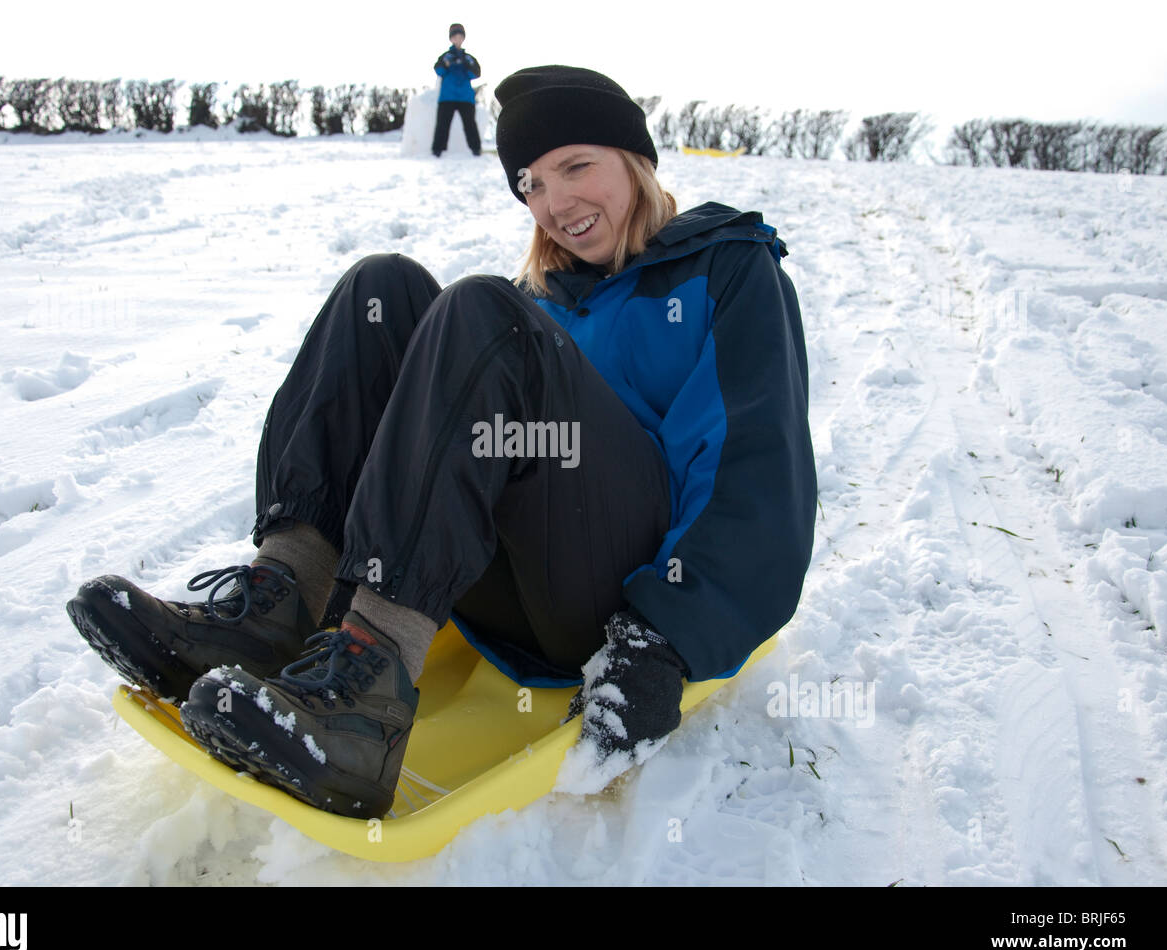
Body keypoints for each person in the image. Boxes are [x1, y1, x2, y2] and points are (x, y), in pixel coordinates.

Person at [67, 65, 816, 820]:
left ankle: (362, 706)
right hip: (505, 588)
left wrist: (665, 638)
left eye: (575, 167)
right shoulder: (540, 305)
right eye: (531, 183)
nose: (554, 204)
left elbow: (756, 468)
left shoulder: (725, 267)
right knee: (382, 289)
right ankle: (283, 606)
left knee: (481, 313)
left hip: (621, 594)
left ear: (636, 161)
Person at [431, 22, 481, 156]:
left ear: (463, 38)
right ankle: (437, 150)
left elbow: (476, 73)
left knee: (470, 124)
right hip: (447, 96)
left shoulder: (468, 58)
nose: (457, 39)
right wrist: (447, 64)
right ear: (451, 39)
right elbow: (438, 70)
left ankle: (476, 149)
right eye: (455, 37)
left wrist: (466, 65)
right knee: (442, 124)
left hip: (465, 97)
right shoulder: (445, 57)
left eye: (460, 36)